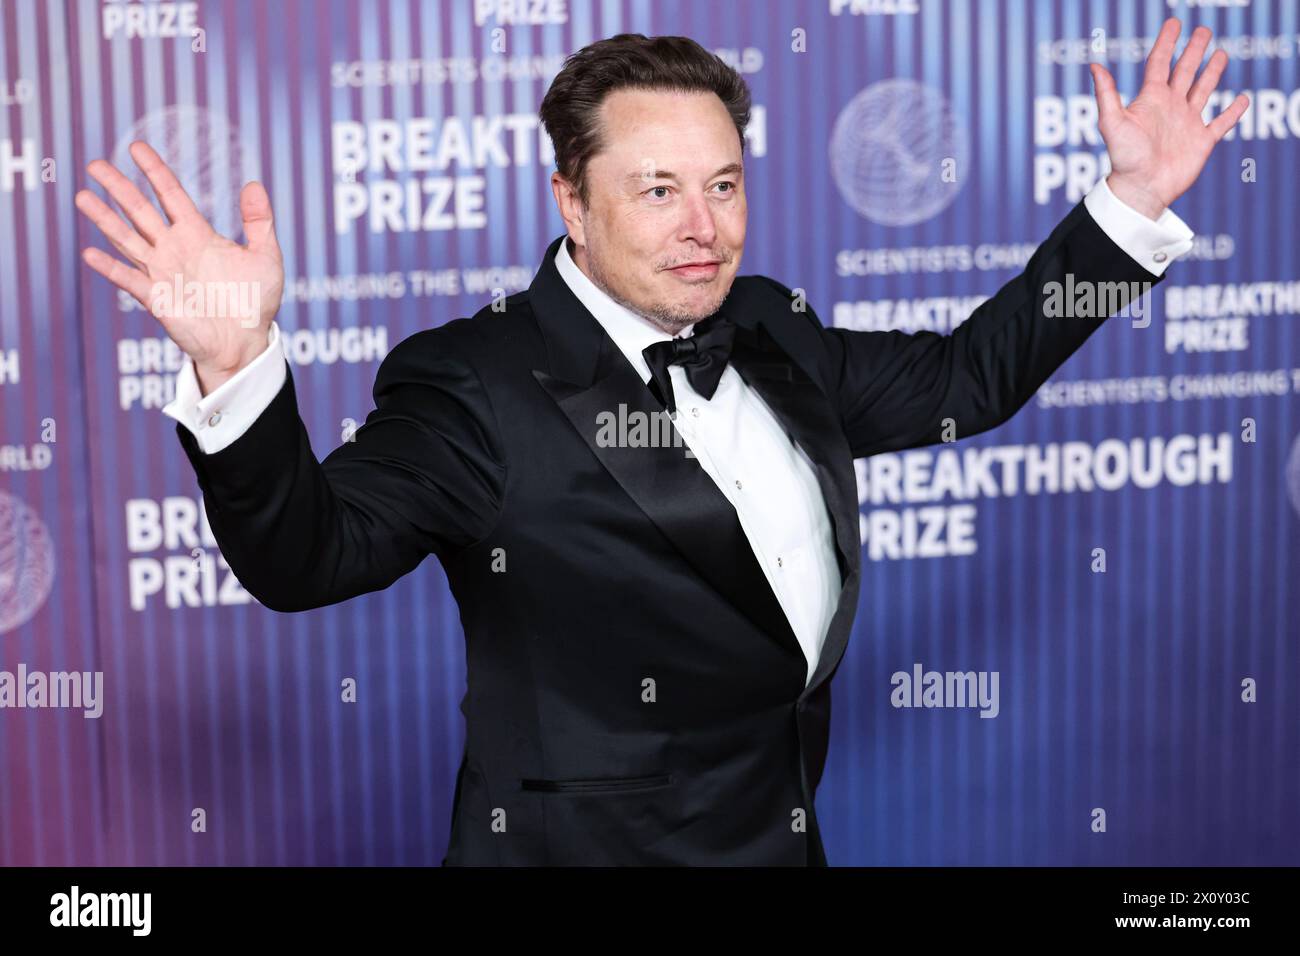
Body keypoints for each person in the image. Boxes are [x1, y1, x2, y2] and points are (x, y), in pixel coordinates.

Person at [75, 24, 1248, 865]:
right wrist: (236, 366)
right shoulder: (474, 381)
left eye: (724, 184)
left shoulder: (770, 325)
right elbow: (305, 557)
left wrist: (1127, 207)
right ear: (570, 203)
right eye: (657, 191)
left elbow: (964, 379)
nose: (705, 229)